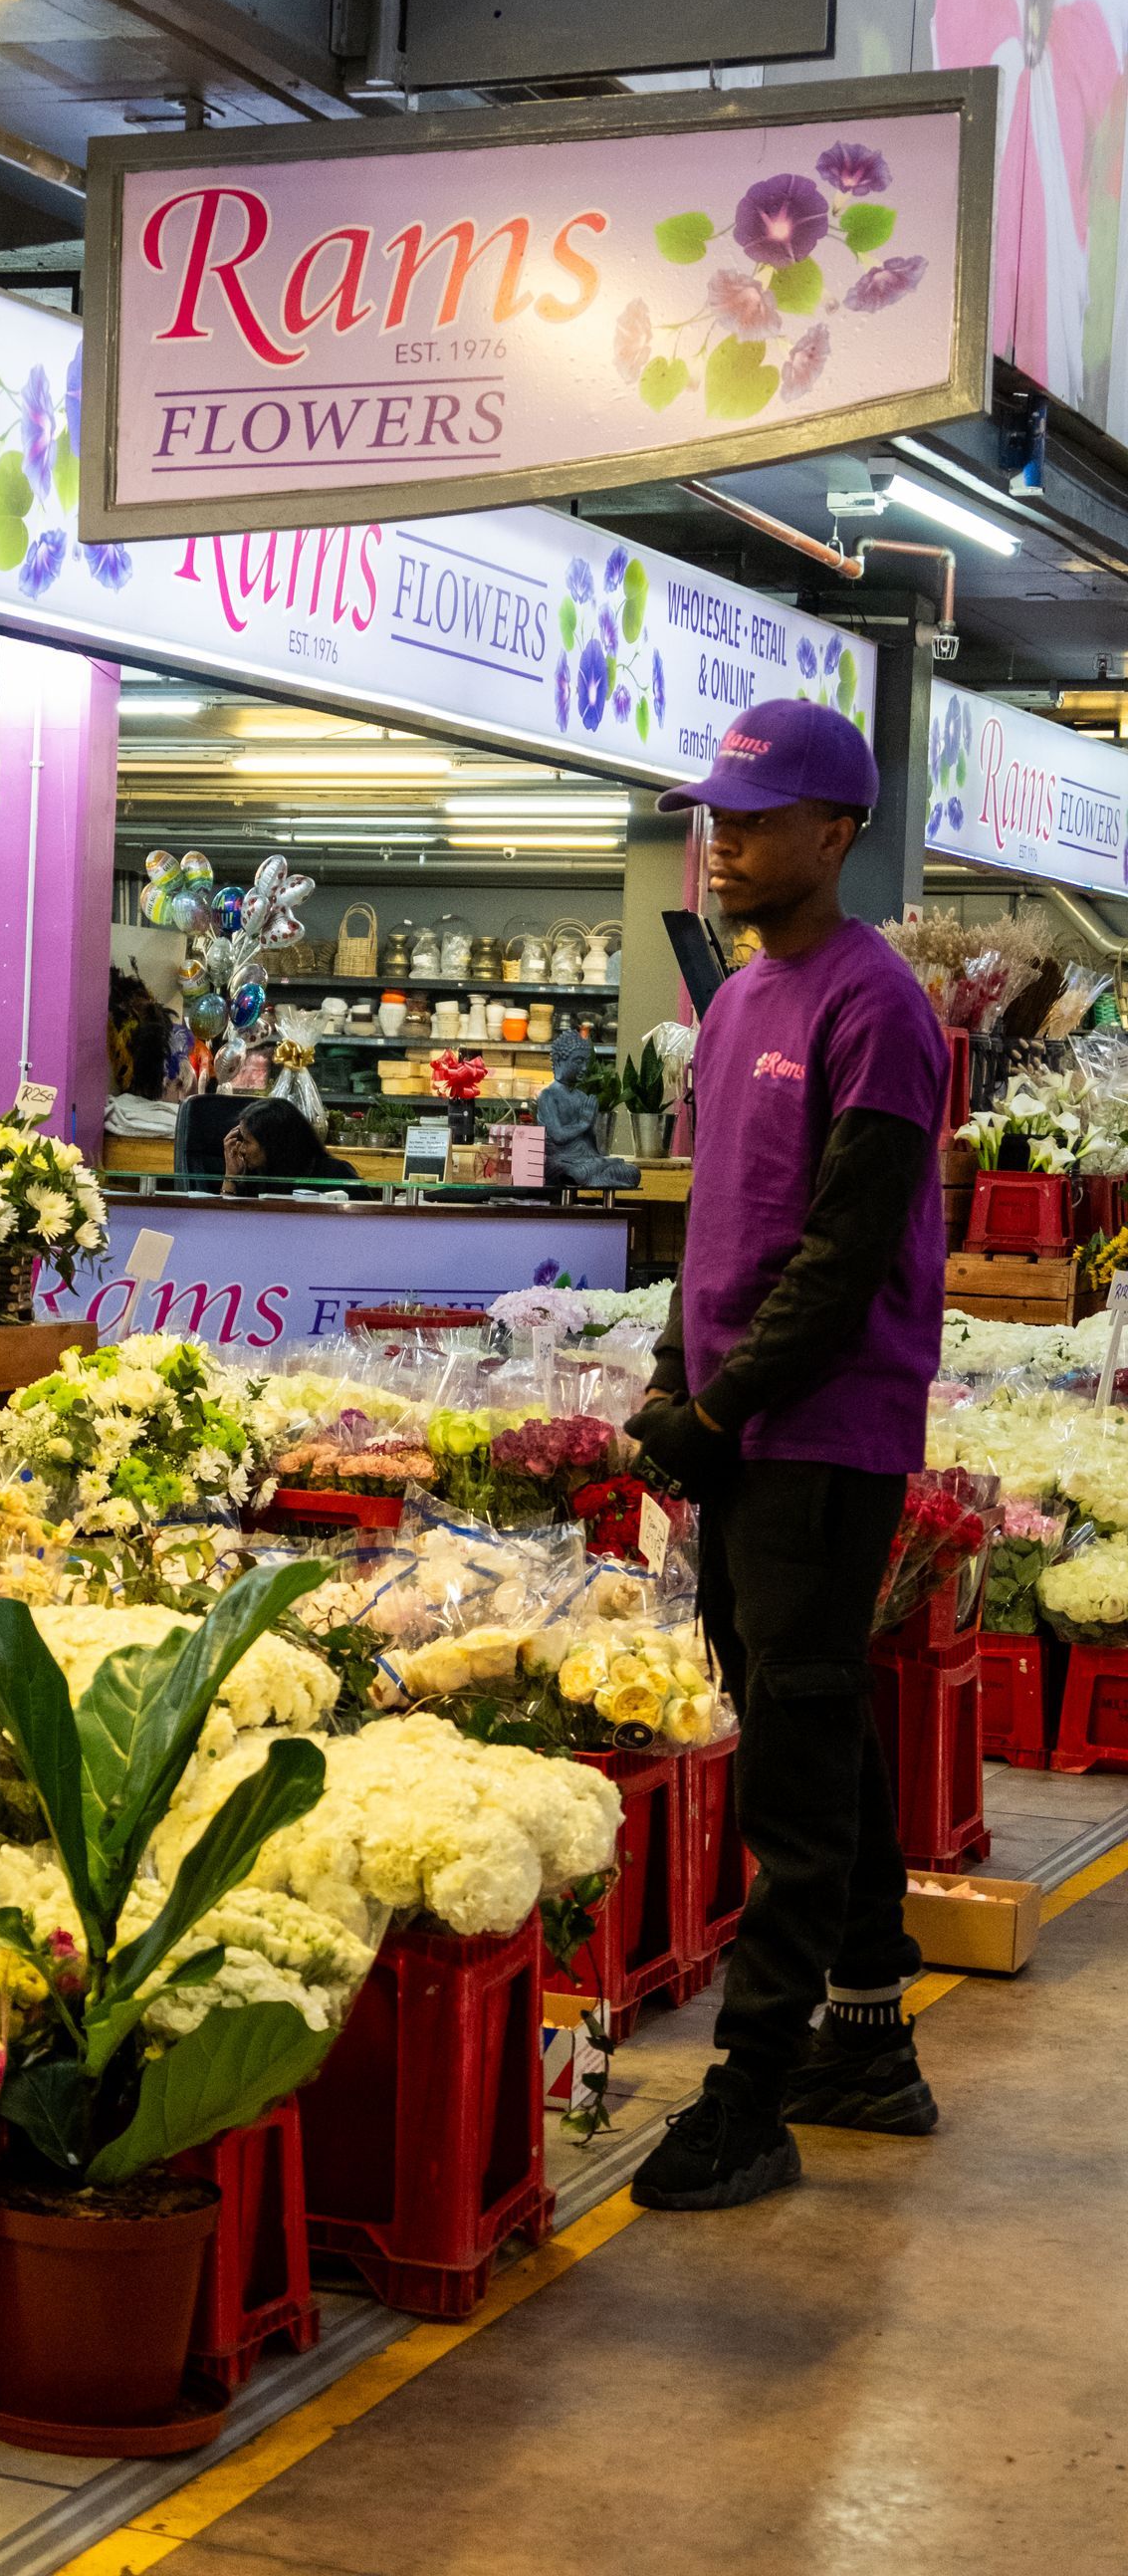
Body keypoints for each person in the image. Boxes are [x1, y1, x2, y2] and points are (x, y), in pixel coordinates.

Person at [624, 696, 947, 2216]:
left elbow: (843, 1248)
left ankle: (751, 2094)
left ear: (839, 833)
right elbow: (726, 1226)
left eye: (755, 820)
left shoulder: (873, 1005)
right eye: (718, 816)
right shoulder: (745, 996)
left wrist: (725, 1404)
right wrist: (673, 1378)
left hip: (821, 1434)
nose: (725, 840)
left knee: (794, 1767)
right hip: (750, 1425)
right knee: (805, 1714)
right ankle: (868, 2038)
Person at [222, 1097, 359, 1195]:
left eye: (247, 1142)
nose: (241, 1149)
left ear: (272, 1143)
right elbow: (227, 1224)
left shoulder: (335, 1174)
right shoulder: (254, 1176)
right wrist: (230, 1176)